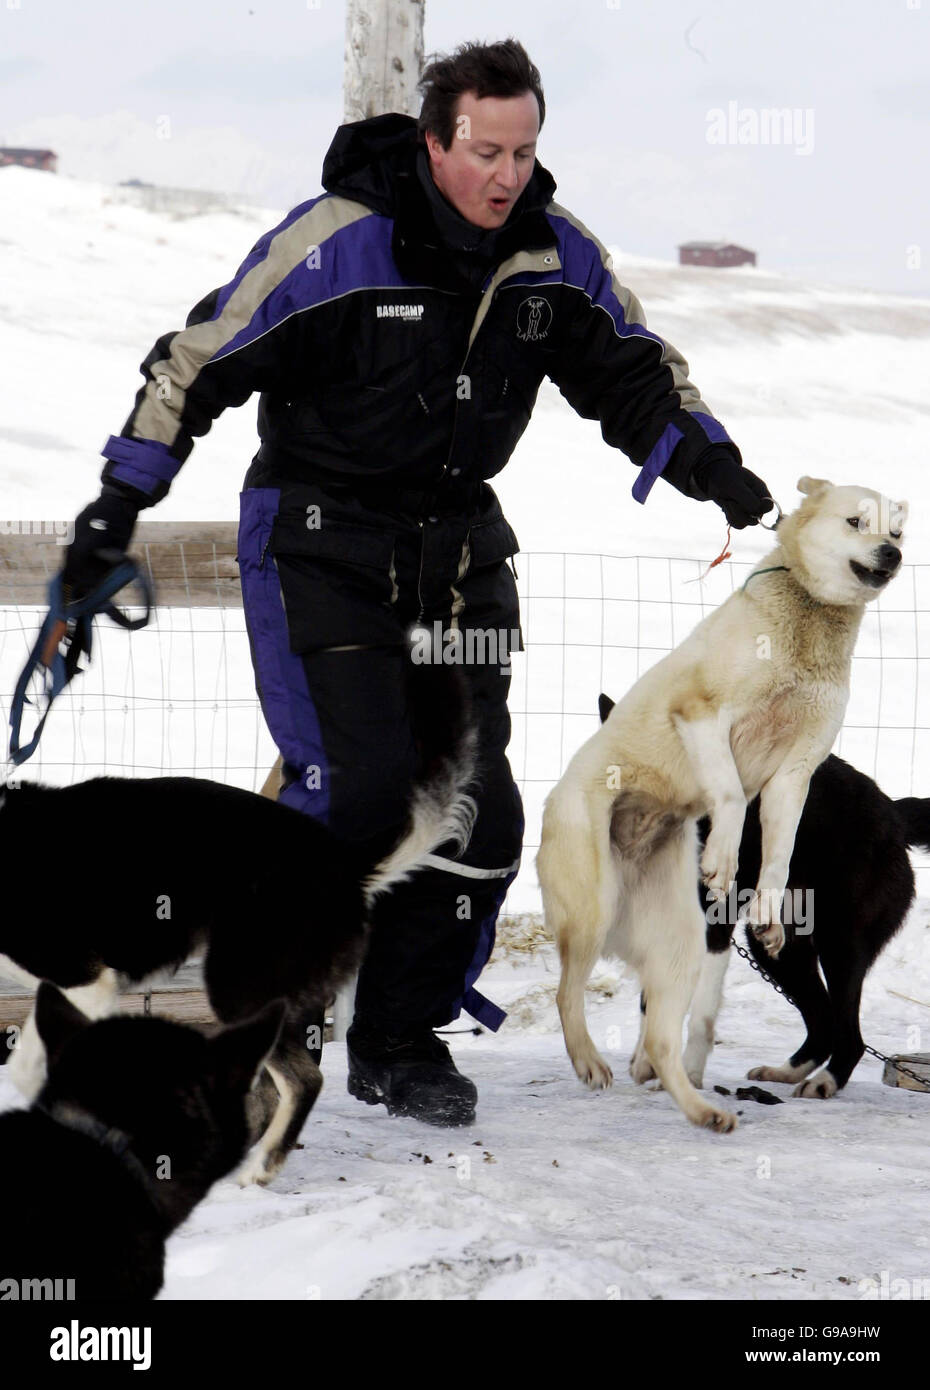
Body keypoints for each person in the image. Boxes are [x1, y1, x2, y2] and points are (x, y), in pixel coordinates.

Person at [62, 38, 771, 1127]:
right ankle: (257, 1039)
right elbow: (196, 360)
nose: (507, 175)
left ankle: (398, 1037)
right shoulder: (339, 244)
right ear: (437, 139)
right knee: (359, 797)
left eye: (525, 152)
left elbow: (631, 369)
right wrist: (119, 504)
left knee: (479, 821)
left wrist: (711, 466)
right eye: (486, 151)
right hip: (320, 546)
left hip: (459, 562)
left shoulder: (550, 256)